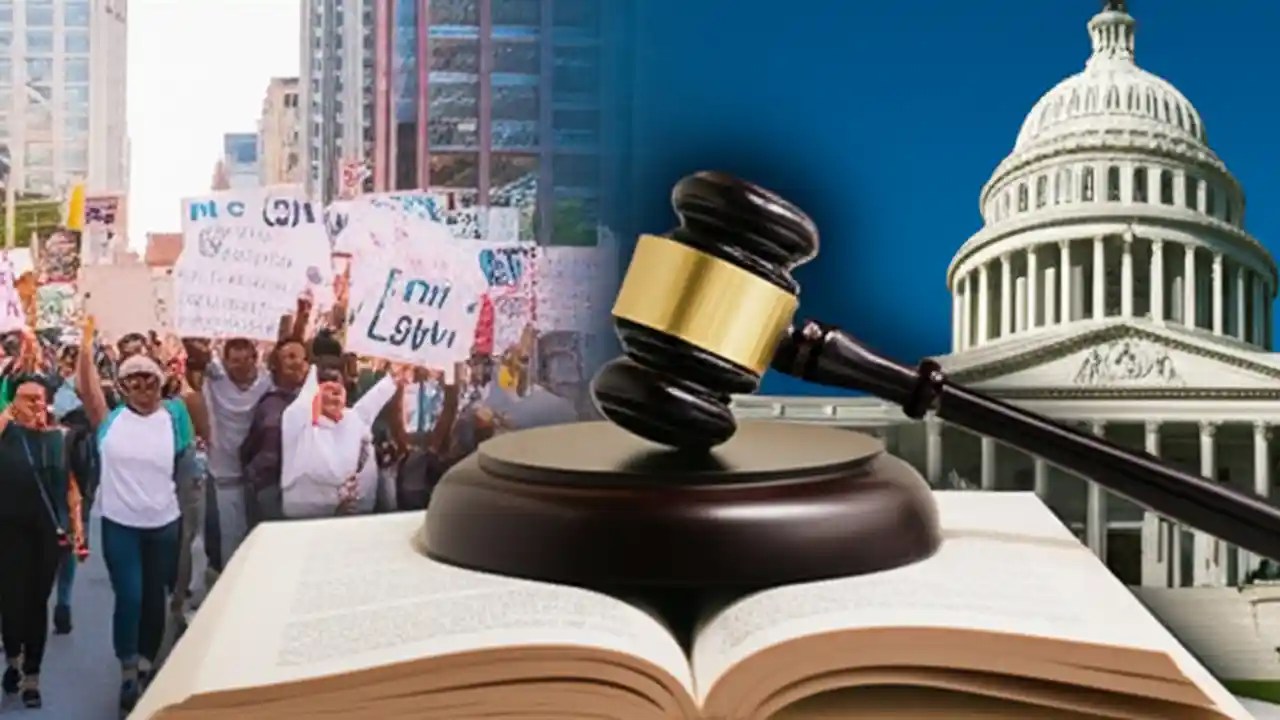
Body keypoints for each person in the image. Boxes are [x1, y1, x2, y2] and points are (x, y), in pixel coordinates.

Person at [76, 316, 201, 712]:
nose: (143, 387)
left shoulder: (174, 418)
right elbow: (87, 389)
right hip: (120, 525)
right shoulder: (110, 421)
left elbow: (187, 467)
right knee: (128, 595)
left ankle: (148, 661)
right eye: (134, 381)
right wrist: (85, 344)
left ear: (160, 383)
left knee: (154, 600)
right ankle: (128, 667)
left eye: (150, 380)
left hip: (164, 523)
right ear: (123, 386)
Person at [0, 338, 83, 709]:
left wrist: (77, 523)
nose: (35, 405)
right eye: (26, 399)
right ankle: (13, 656)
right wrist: (7, 413)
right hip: (8, 532)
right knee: (10, 603)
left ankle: (33, 676)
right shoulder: (5, 434)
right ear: (12, 404)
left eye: (39, 399)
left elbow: (70, 486)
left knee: (37, 604)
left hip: (48, 534)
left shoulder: (57, 439)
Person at [187, 337, 272, 582]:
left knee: (258, 538)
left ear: (256, 360)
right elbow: (195, 354)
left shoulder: (267, 382)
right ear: (225, 362)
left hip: (259, 476)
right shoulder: (215, 378)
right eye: (235, 361)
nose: (241, 366)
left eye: (247, 360)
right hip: (225, 476)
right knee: (230, 542)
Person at [280, 361, 403, 518]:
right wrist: (312, 375)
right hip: (307, 517)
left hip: (355, 514)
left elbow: (369, 405)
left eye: (338, 391)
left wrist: (392, 380)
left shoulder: (351, 419)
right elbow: (304, 405)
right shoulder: (297, 420)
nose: (333, 396)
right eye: (327, 390)